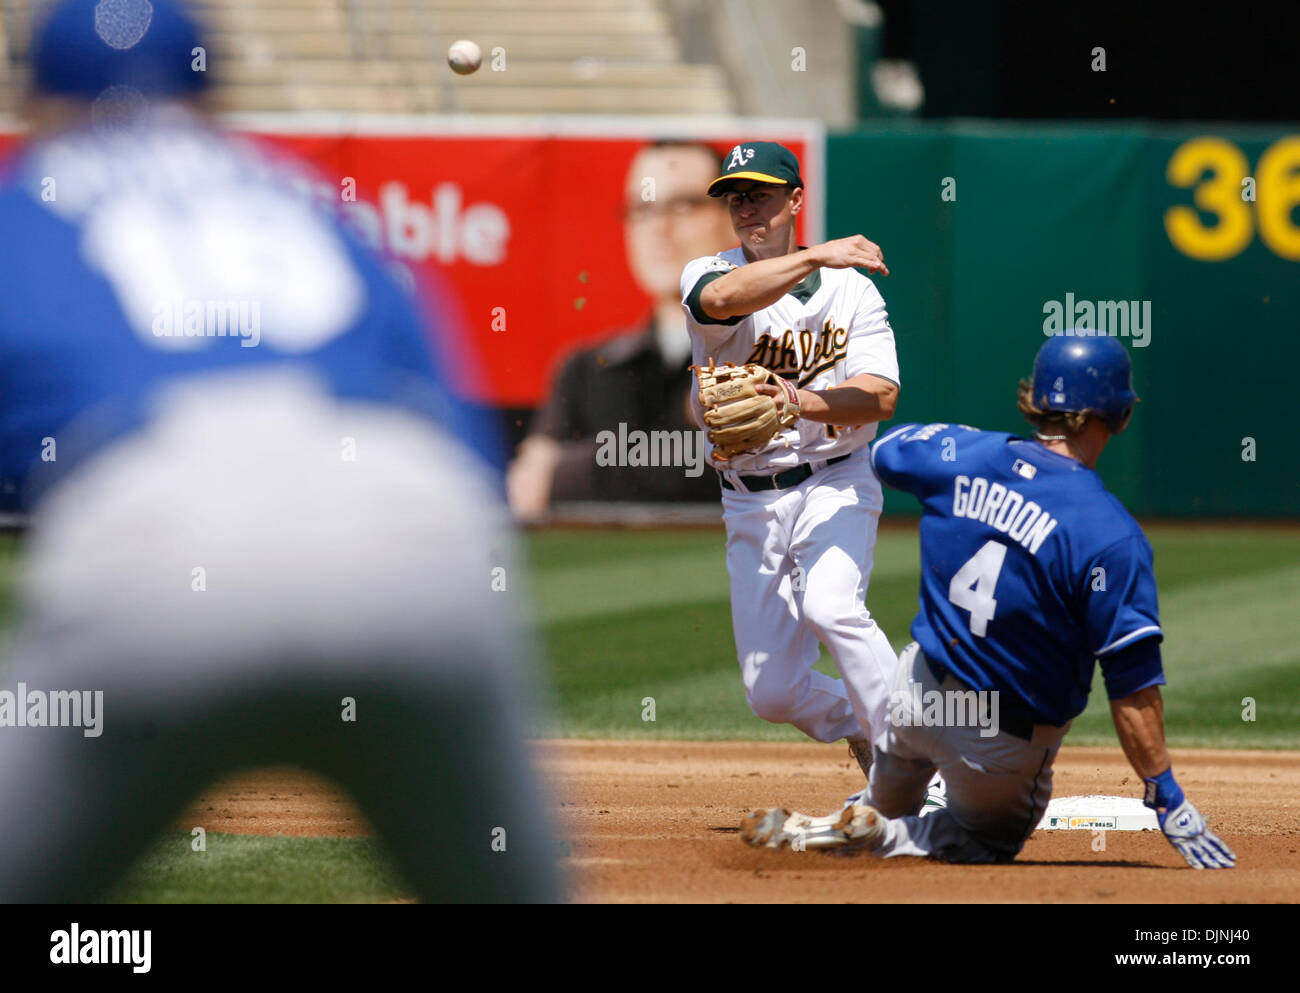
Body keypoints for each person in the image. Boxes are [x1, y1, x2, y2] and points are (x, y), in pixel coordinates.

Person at [0, 0, 558, 902]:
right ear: (212, 96)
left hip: (156, 541)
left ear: (35, 98)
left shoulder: (24, 206)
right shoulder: (302, 201)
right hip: (410, 536)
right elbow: (464, 448)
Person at [742, 334, 1237, 870]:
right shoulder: (1110, 534)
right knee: (986, 842)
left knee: (889, 798)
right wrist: (1165, 791)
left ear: (1037, 399)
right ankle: (886, 832)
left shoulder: (962, 456)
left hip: (915, 697)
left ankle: (864, 816)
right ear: (1116, 413)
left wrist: (976, 454)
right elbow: (1132, 688)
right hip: (997, 740)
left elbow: (885, 451)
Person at [679, 140, 911, 788]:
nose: (746, 207)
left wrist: (802, 401)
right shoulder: (708, 270)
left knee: (833, 604)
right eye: (735, 196)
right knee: (772, 692)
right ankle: (875, 721)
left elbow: (882, 395)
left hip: (835, 477)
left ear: (796, 200)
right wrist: (815, 251)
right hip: (750, 496)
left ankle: (917, 759)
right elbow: (722, 301)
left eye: (761, 194)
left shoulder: (851, 292)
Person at [506, 141, 735, 517]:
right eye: (643, 209)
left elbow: (738, 471)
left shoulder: (770, 349)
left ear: (733, 218)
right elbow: (529, 489)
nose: (660, 228)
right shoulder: (584, 369)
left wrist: (574, 469)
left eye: (683, 206)